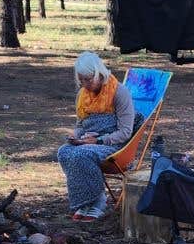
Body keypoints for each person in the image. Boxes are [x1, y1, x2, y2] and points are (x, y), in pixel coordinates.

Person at [57, 52, 137, 219]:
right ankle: (85, 202)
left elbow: (125, 132)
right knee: (64, 151)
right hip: (89, 142)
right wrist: (78, 137)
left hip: (113, 145)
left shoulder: (119, 93)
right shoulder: (82, 95)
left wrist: (99, 140)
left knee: (81, 154)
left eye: (89, 79)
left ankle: (97, 200)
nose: (85, 84)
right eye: (81, 80)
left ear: (100, 74)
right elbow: (80, 125)